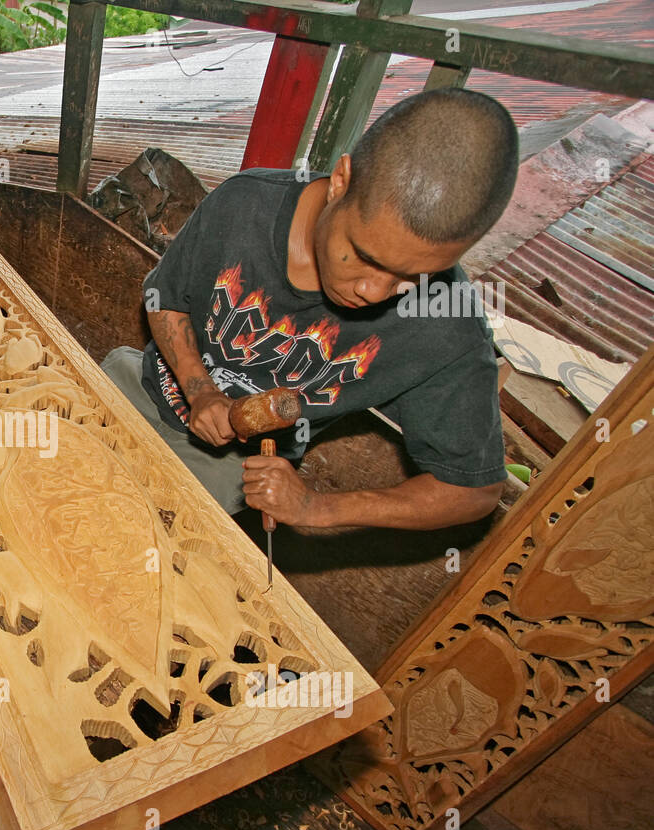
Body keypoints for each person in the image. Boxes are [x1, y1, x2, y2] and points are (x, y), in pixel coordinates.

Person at [101, 88, 517, 531]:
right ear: (341, 182)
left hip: (228, 469)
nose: (373, 292)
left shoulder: (445, 327)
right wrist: (199, 388)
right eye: (363, 255)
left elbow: (474, 490)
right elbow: (163, 299)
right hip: (138, 389)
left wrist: (317, 509)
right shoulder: (245, 206)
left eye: (411, 277)